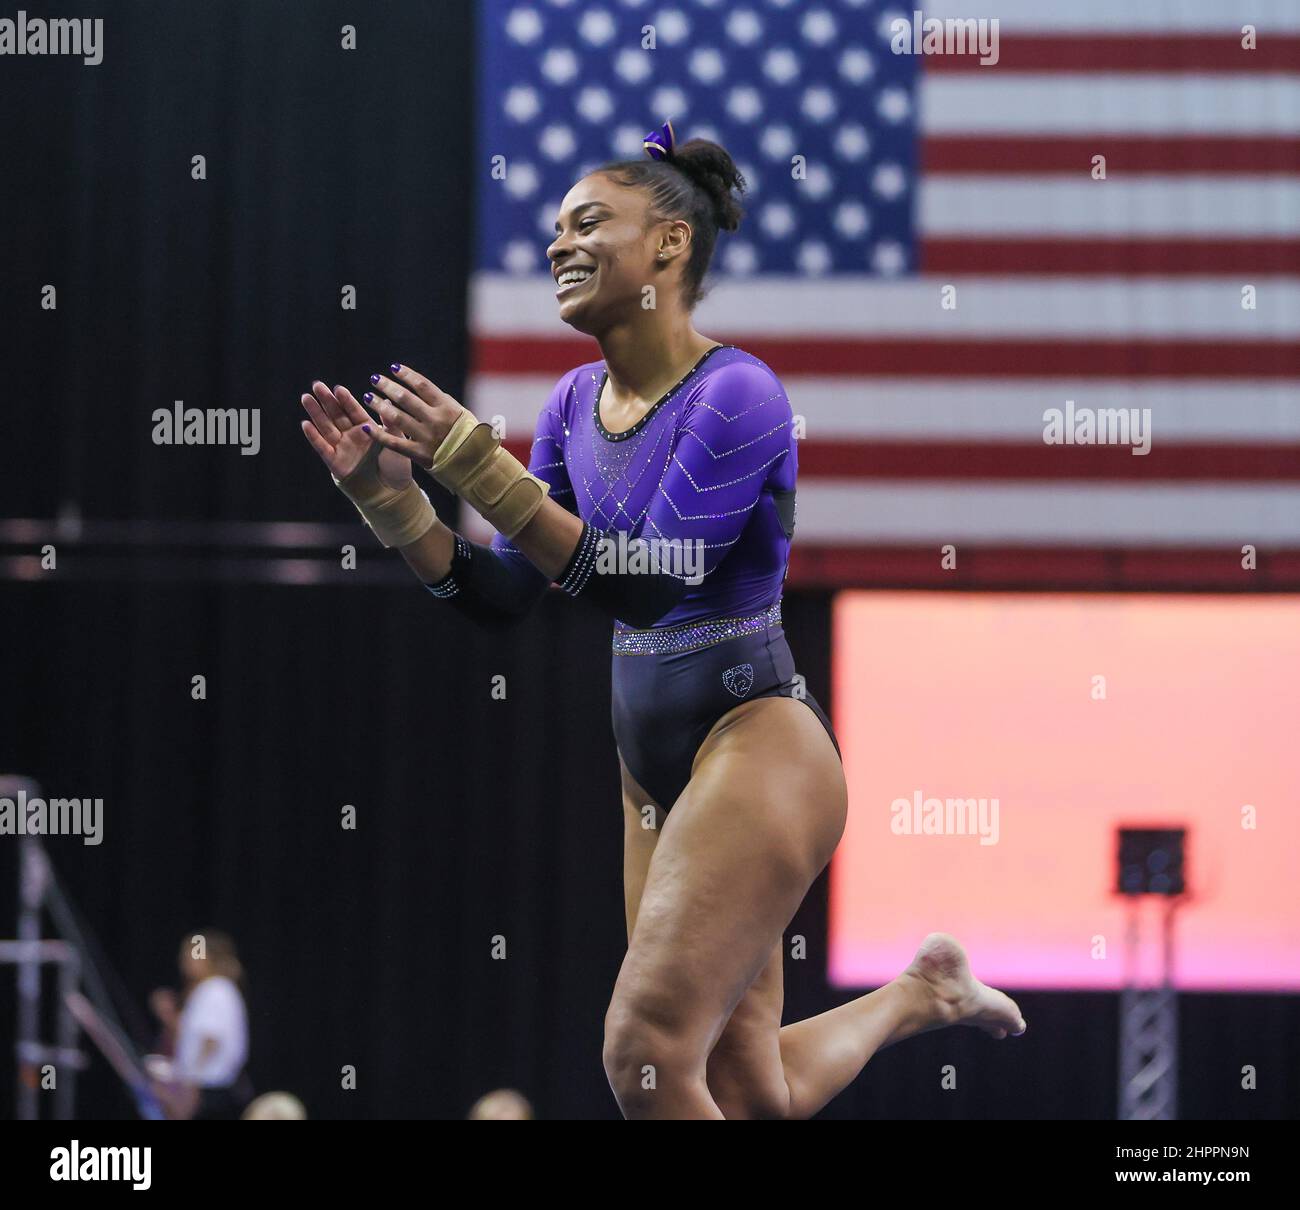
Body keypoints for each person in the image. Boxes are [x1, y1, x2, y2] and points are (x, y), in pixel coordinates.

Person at [299, 119, 1026, 1120]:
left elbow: (646, 581)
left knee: (643, 1049)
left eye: (588, 221)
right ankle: (919, 993)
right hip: (650, 766)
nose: (558, 242)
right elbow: (505, 597)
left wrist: (474, 461)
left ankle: (917, 992)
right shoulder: (569, 404)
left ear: (669, 245)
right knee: (741, 1083)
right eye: (553, 226)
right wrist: (392, 502)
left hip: (757, 739)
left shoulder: (737, 394)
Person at [149, 929, 252, 1120]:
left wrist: (190, 1080)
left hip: (211, 1088)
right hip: (204, 1085)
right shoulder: (205, 991)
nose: (184, 962)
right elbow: (191, 1036)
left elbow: (210, 1040)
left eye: (190, 956)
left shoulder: (216, 990)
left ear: (207, 958)